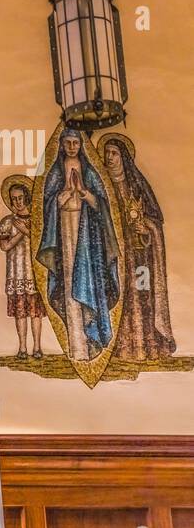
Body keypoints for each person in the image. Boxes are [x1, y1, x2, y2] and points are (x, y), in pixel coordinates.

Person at [36, 129, 120, 361]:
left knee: (87, 282)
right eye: (68, 143)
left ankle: (90, 340)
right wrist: (62, 196)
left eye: (76, 143)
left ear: (80, 145)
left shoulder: (89, 171)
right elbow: (48, 203)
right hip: (64, 234)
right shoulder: (55, 173)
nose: (72, 147)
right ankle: (76, 347)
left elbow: (102, 204)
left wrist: (85, 193)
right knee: (68, 284)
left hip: (87, 240)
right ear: (62, 145)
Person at [100, 133, 176, 360]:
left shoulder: (137, 187)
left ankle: (146, 346)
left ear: (124, 157)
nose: (110, 157)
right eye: (107, 153)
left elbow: (154, 220)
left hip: (139, 258)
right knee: (116, 297)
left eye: (114, 153)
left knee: (141, 295)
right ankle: (120, 347)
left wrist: (148, 230)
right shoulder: (103, 189)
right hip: (112, 257)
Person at [0, 175, 45, 359]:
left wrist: (25, 230)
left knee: (36, 313)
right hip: (17, 272)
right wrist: (21, 234)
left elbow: (41, 242)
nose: (17, 202)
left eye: (20, 197)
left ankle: (38, 347)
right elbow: (5, 246)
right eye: (13, 198)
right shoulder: (7, 222)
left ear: (27, 197)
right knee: (21, 313)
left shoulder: (37, 221)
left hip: (34, 273)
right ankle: (23, 348)